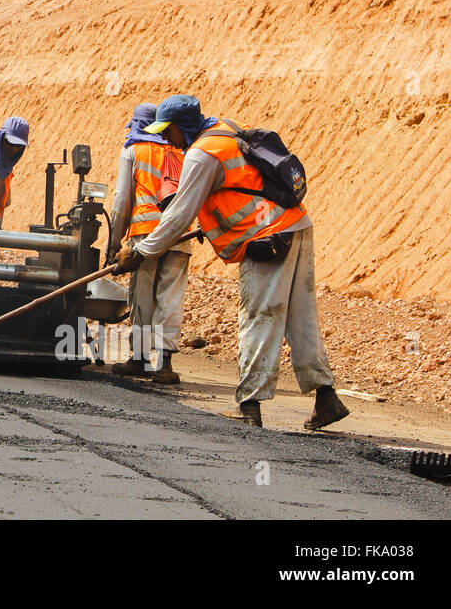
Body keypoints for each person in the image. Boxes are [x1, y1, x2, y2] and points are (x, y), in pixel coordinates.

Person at [116, 95, 349, 431]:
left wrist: (141, 252)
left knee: (258, 316)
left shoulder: (200, 153)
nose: (166, 139)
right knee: (301, 318)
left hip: (268, 238)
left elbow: (178, 216)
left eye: (169, 132)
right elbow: (237, 188)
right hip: (296, 225)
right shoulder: (225, 131)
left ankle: (249, 406)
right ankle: (327, 398)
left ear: (182, 128)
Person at [107, 103, 190, 384]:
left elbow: (121, 201)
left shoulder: (133, 151)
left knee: (142, 296)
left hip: (144, 235)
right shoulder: (179, 150)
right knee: (171, 297)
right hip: (179, 235)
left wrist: (114, 242)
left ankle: (140, 358)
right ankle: (164, 365)